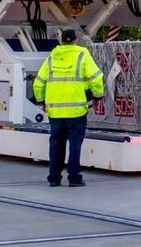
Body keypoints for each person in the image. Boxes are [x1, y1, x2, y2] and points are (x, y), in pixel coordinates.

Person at [32, 29, 105, 187]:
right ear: (76, 40)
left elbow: (38, 82)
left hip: (55, 111)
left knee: (56, 143)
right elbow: (96, 77)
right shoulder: (82, 54)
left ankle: (54, 178)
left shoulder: (52, 57)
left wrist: (41, 102)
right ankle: (74, 178)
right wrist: (98, 97)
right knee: (75, 144)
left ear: (62, 41)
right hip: (76, 110)